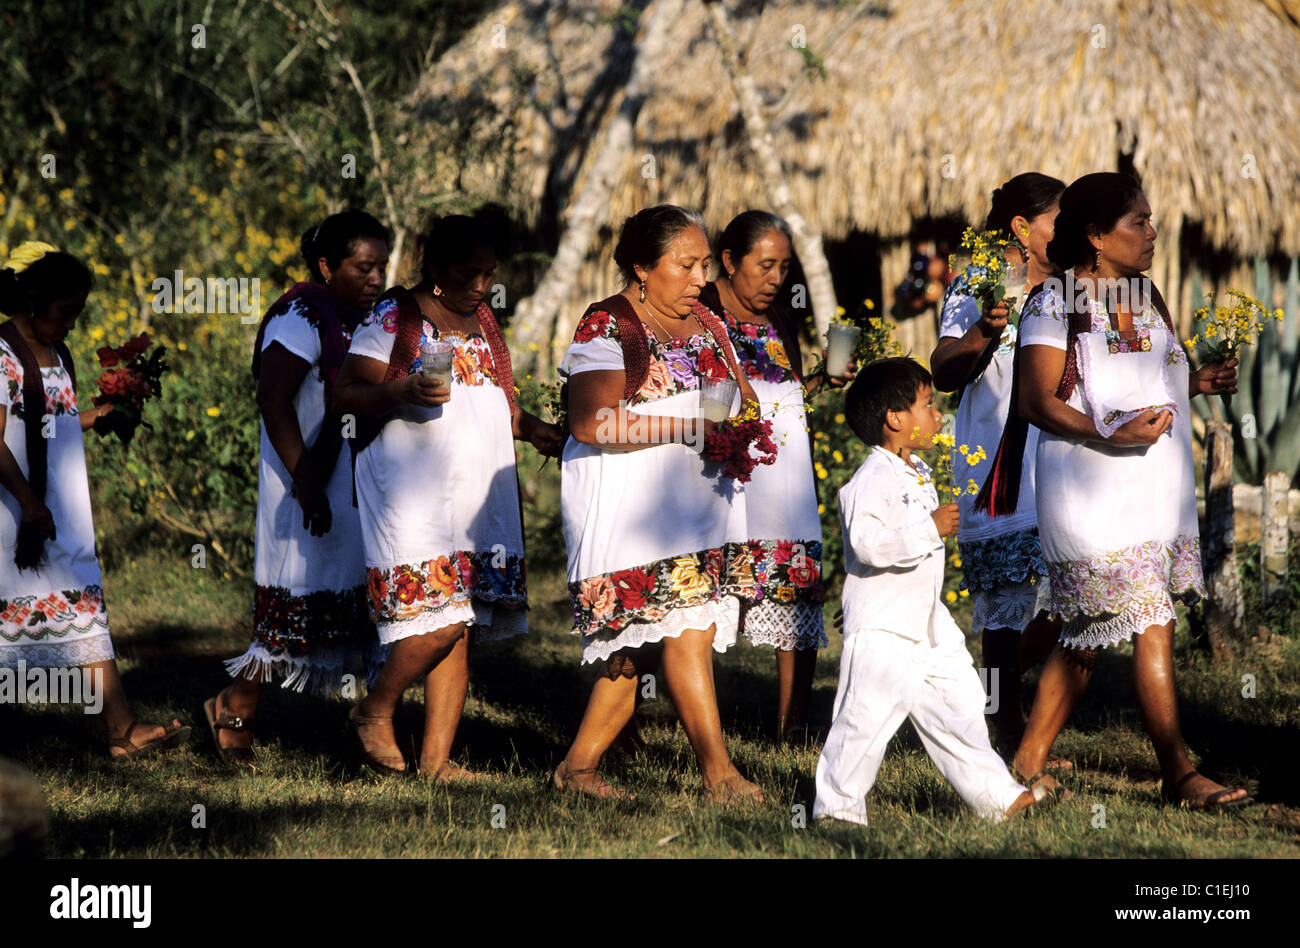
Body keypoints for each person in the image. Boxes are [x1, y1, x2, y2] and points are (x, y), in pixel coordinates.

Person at [980, 172, 1247, 808]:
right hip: (1087, 490)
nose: (1153, 233)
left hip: (1155, 491)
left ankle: (1024, 761)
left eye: (1151, 220)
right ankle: (1178, 773)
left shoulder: (1149, 296)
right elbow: (1037, 400)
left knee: (1085, 635)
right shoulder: (1053, 304)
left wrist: (1201, 380)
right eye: (1139, 223)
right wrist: (1112, 430)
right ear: (1097, 236)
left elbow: (1154, 378)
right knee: (1148, 623)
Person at [334, 215, 563, 779]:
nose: (483, 285)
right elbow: (345, 393)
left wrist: (533, 429)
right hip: (409, 492)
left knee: (458, 626)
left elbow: (493, 404)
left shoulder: (483, 321)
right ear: (434, 267)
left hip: (471, 497)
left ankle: (436, 763)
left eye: (489, 273)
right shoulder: (395, 316)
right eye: (469, 273)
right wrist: (400, 389)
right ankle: (375, 708)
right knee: (436, 621)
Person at [553, 204, 764, 803]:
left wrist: (736, 427)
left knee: (639, 646)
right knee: (682, 632)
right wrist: (690, 425)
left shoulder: (704, 323)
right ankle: (719, 776)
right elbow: (593, 422)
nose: (702, 277)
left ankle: (577, 768)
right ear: (642, 267)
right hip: (629, 514)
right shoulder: (607, 326)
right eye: (688, 264)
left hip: (694, 509)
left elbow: (740, 397)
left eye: (704, 264)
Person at [813, 357, 1037, 826]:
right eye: (927, 406)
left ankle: (999, 795)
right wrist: (929, 528)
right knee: (864, 720)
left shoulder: (916, 473)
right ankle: (837, 807)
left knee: (962, 707)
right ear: (896, 419)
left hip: (928, 626)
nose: (937, 417)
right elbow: (866, 544)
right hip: (884, 630)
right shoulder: (870, 478)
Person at [206, 210, 390, 767]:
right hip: (304, 482)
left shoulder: (370, 318)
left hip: (360, 483)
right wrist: (308, 482)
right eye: (363, 268)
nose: (376, 279)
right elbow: (273, 399)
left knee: (361, 606)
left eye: (382, 266)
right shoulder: (300, 316)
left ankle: (370, 724)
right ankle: (234, 706)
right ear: (327, 266)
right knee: (295, 605)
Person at [0, 242, 188, 759]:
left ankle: (120, 731)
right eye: (66, 313)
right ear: (34, 300)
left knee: (84, 608)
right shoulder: (2, 354)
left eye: (77, 315)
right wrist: (29, 503)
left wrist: (105, 410)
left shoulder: (57, 353)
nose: (72, 326)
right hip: (15, 512)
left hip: (57, 512)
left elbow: (54, 422)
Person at [696, 210, 853, 740]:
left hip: (782, 476)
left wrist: (821, 380)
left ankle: (791, 726)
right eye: (765, 266)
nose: (775, 279)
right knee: (698, 598)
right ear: (729, 261)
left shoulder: (780, 317)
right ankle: (696, 722)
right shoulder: (699, 312)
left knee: (796, 588)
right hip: (720, 474)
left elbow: (779, 396)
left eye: (784, 268)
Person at [930, 173, 1068, 759]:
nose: (1069, 232)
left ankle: (984, 698)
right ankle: (1005, 728)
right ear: (1021, 226)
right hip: (999, 465)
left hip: (1066, 457)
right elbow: (942, 370)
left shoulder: (1071, 288)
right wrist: (986, 330)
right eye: (1058, 220)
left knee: (1076, 591)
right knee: (1008, 602)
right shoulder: (979, 282)